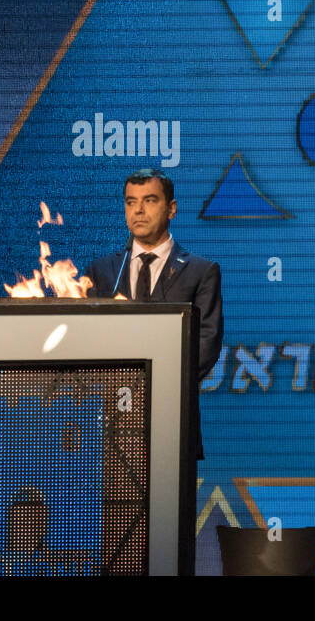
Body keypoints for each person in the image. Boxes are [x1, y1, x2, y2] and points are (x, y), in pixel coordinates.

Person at [86, 169, 222, 458]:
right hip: (108, 424)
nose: (138, 210)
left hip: (172, 416)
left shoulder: (201, 271)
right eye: (130, 201)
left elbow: (206, 344)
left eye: (149, 200)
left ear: (171, 209)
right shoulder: (101, 272)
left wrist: (154, 383)